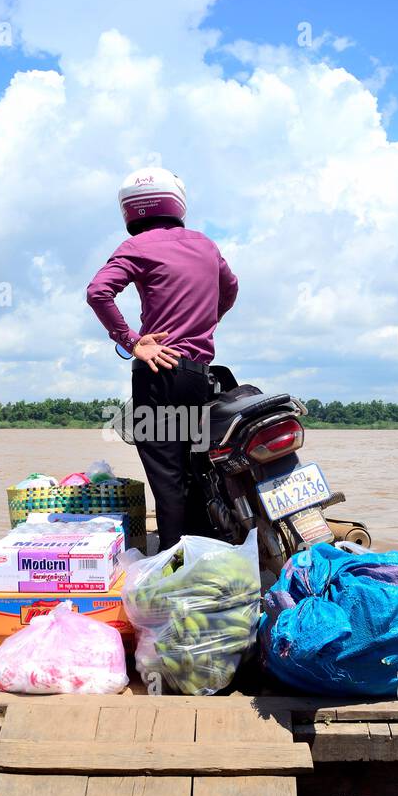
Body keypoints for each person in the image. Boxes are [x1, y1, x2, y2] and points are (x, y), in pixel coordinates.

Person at [86, 167, 238, 550]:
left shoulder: (136, 247)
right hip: (201, 377)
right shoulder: (205, 244)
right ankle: (209, 551)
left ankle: (176, 566)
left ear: (129, 210)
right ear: (177, 201)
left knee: (167, 477)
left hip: (160, 374)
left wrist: (133, 341)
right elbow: (230, 288)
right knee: (197, 469)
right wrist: (205, 323)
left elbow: (98, 293)